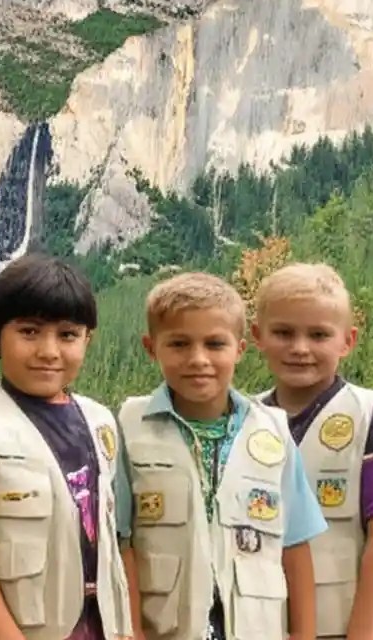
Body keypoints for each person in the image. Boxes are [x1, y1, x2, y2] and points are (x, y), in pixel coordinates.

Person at [0, 253, 131, 640]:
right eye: (30, 332)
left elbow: (112, 538)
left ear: (89, 339)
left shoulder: (101, 421)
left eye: (67, 335)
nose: (49, 351)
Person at [116, 271, 327, 640]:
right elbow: (123, 545)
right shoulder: (129, 427)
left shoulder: (273, 433)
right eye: (179, 344)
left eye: (215, 344)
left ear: (240, 349)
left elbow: (296, 547)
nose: (198, 359)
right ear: (151, 348)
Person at [251, 263, 373, 639]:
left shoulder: (369, 415)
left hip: (346, 625)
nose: (300, 349)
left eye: (318, 335)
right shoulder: (245, 418)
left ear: (347, 341)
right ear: (256, 336)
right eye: (283, 333)